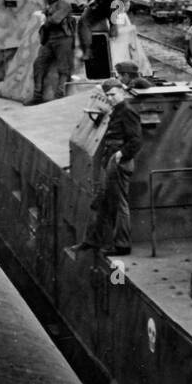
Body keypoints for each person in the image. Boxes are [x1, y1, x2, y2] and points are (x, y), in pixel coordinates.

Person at [76, 63, 143, 255]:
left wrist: (121, 154)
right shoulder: (117, 109)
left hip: (120, 162)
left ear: (121, 91)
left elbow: (136, 140)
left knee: (120, 205)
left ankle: (122, 245)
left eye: (114, 94)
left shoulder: (127, 110)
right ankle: (91, 240)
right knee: (99, 201)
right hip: (111, 161)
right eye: (109, 96)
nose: (112, 98)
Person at [30, 0, 75, 103]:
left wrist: (45, 24)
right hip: (50, 39)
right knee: (38, 64)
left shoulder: (64, 5)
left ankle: (59, 96)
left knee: (63, 68)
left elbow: (56, 20)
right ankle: (37, 95)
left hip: (63, 38)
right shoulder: (51, 5)